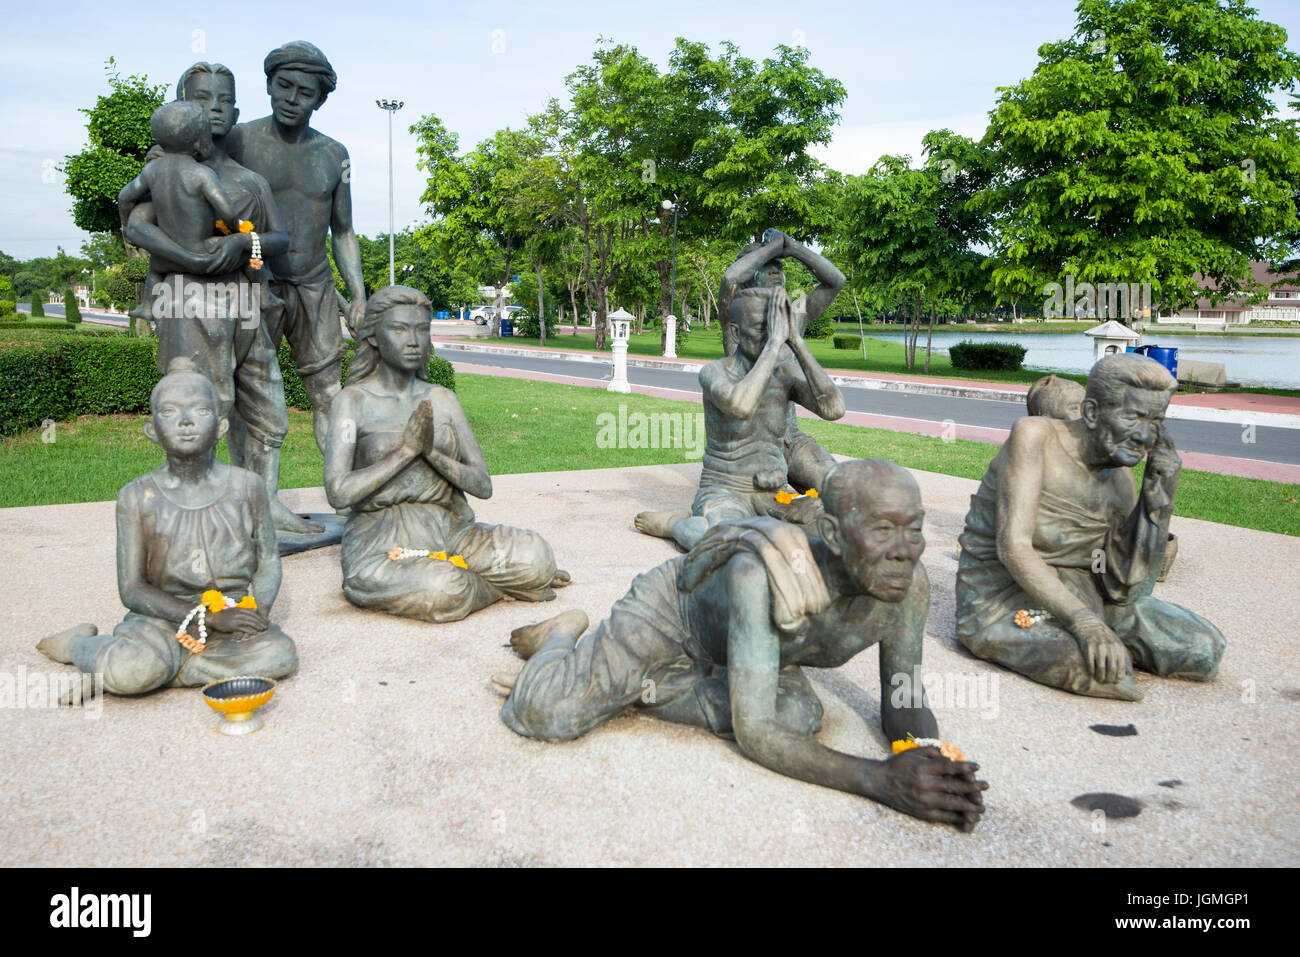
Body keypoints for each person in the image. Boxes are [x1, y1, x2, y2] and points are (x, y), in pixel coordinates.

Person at [498, 459, 987, 831]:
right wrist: (882, 780)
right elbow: (755, 734)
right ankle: (562, 634)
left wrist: (927, 757)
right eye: (883, 530)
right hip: (675, 613)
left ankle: (641, 687)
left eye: (915, 528)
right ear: (834, 534)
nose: (905, 549)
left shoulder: (907, 587)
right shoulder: (764, 577)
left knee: (797, 720)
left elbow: (903, 697)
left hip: (750, 648)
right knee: (549, 715)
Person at [955, 354, 1224, 700]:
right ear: (1092, 412)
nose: (1145, 436)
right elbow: (1014, 548)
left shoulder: (1123, 480)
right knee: (1101, 671)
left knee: (1204, 649)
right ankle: (1087, 640)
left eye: (1155, 421)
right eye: (1133, 416)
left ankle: (1102, 636)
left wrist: (1158, 499)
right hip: (1002, 599)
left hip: (1088, 593)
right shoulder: (1036, 436)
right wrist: (1085, 623)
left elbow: (1127, 589)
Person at [122, 62, 319, 536]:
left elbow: (277, 239)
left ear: (236, 110)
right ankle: (205, 512)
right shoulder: (165, 170)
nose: (215, 109)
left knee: (267, 404)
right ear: (181, 107)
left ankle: (265, 503)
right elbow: (136, 227)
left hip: (248, 299)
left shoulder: (249, 180)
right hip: (190, 303)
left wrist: (240, 245)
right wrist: (192, 257)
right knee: (203, 405)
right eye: (203, 99)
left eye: (225, 100)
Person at [37, 360, 297, 696]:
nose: (186, 422)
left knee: (281, 655)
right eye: (170, 412)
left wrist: (257, 612)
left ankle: (161, 670)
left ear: (220, 426)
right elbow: (132, 588)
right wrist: (204, 618)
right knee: (132, 671)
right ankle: (81, 646)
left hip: (230, 617)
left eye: (200, 410)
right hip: (160, 621)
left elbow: (268, 562)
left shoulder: (248, 487)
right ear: (151, 429)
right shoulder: (137, 497)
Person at [324, 286, 567, 623]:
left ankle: (483, 584)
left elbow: (483, 485)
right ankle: (494, 587)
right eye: (399, 329)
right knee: (442, 589)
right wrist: (407, 452)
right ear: (375, 337)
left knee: (535, 556)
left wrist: (433, 455)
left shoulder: (443, 399)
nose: (413, 341)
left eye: (422, 330)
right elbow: (338, 493)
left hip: (452, 531)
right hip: (382, 541)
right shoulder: (351, 402)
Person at [226, 41, 367, 454]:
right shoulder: (237, 141)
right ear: (268, 84)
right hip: (255, 284)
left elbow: (343, 231)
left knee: (328, 393)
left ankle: (345, 495)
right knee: (247, 394)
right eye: (283, 85)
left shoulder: (334, 154)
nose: (291, 99)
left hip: (314, 285)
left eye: (305, 93)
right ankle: (251, 499)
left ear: (320, 100)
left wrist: (358, 294)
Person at [635, 283, 844, 551]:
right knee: (725, 545)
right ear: (735, 331)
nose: (770, 335)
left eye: (773, 327)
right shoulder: (714, 373)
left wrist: (797, 341)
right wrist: (774, 344)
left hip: (773, 495)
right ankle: (675, 524)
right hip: (726, 492)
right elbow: (741, 406)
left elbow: (834, 409)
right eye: (761, 328)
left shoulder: (785, 373)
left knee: (839, 534)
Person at [117, 101, 240, 257]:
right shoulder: (202, 173)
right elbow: (229, 213)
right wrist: (237, 229)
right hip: (200, 249)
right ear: (198, 140)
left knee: (155, 272)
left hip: (166, 254)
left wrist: (127, 227)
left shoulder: (151, 171)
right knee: (251, 256)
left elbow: (124, 197)